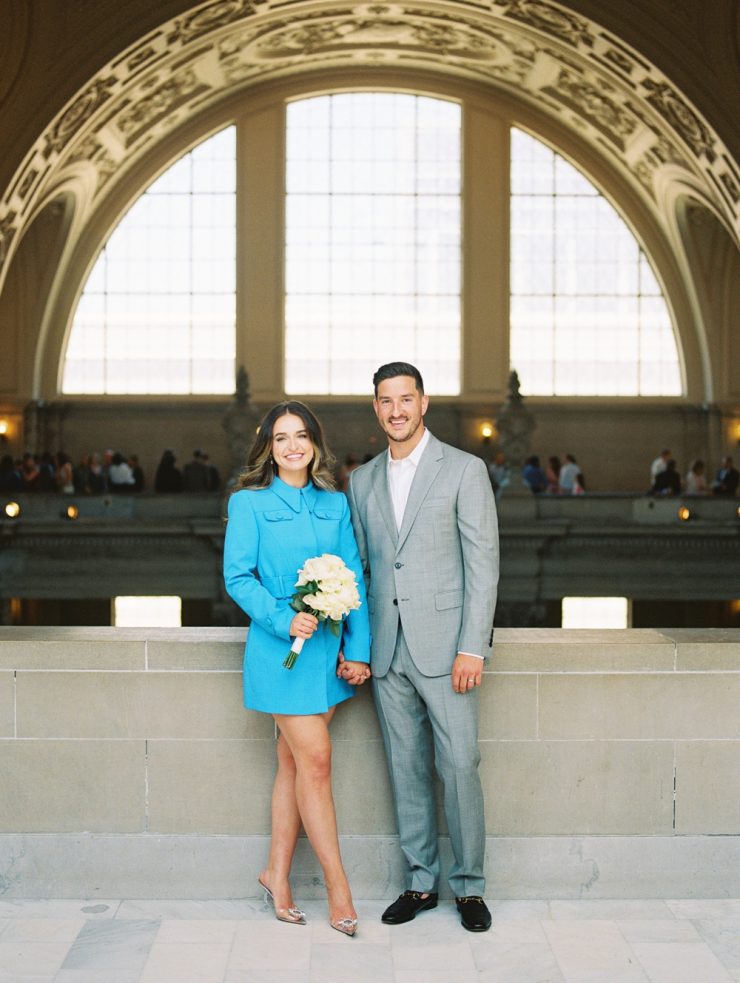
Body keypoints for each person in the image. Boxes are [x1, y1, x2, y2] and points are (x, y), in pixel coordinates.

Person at [346, 362, 499, 934]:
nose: (396, 410)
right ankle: (420, 881)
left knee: (460, 765)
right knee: (405, 768)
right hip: (387, 653)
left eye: (405, 399)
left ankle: (470, 888)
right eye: (386, 401)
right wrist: (357, 647)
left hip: (448, 649)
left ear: (424, 403)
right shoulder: (361, 481)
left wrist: (473, 648)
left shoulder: (464, 469)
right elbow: (360, 572)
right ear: (376, 408)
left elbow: (483, 564)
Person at [223, 400, 371, 937]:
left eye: (302, 436)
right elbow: (238, 578)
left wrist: (359, 650)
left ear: (315, 443)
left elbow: (354, 578)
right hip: (279, 654)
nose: (293, 446)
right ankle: (339, 888)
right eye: (281, 437)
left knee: (292, 765)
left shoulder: (335, 503)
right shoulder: (249, 504)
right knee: (317, 762)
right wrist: (283, 619)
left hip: (327, 657)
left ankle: (275, 875)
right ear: (268, 447)